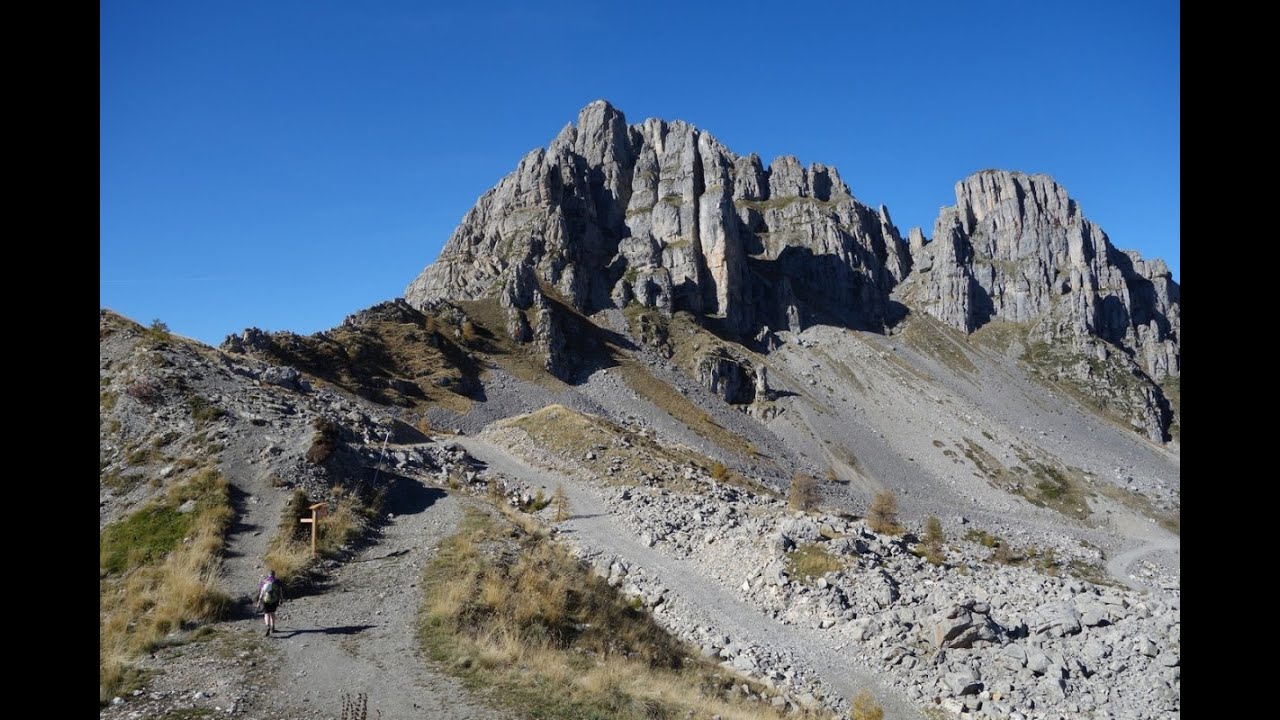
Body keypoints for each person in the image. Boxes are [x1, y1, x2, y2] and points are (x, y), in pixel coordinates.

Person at [256, 570, 284, 636]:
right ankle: (273, 628)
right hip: (274, 600)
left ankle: (267, 626)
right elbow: (280, 591)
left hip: (266, 600)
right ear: (274, 574)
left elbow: (262, 593)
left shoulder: (264, 581)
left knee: (266, 614)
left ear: (268, 574)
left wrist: (259, 602)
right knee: (272, 613)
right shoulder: (277, 581)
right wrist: (281, 599)